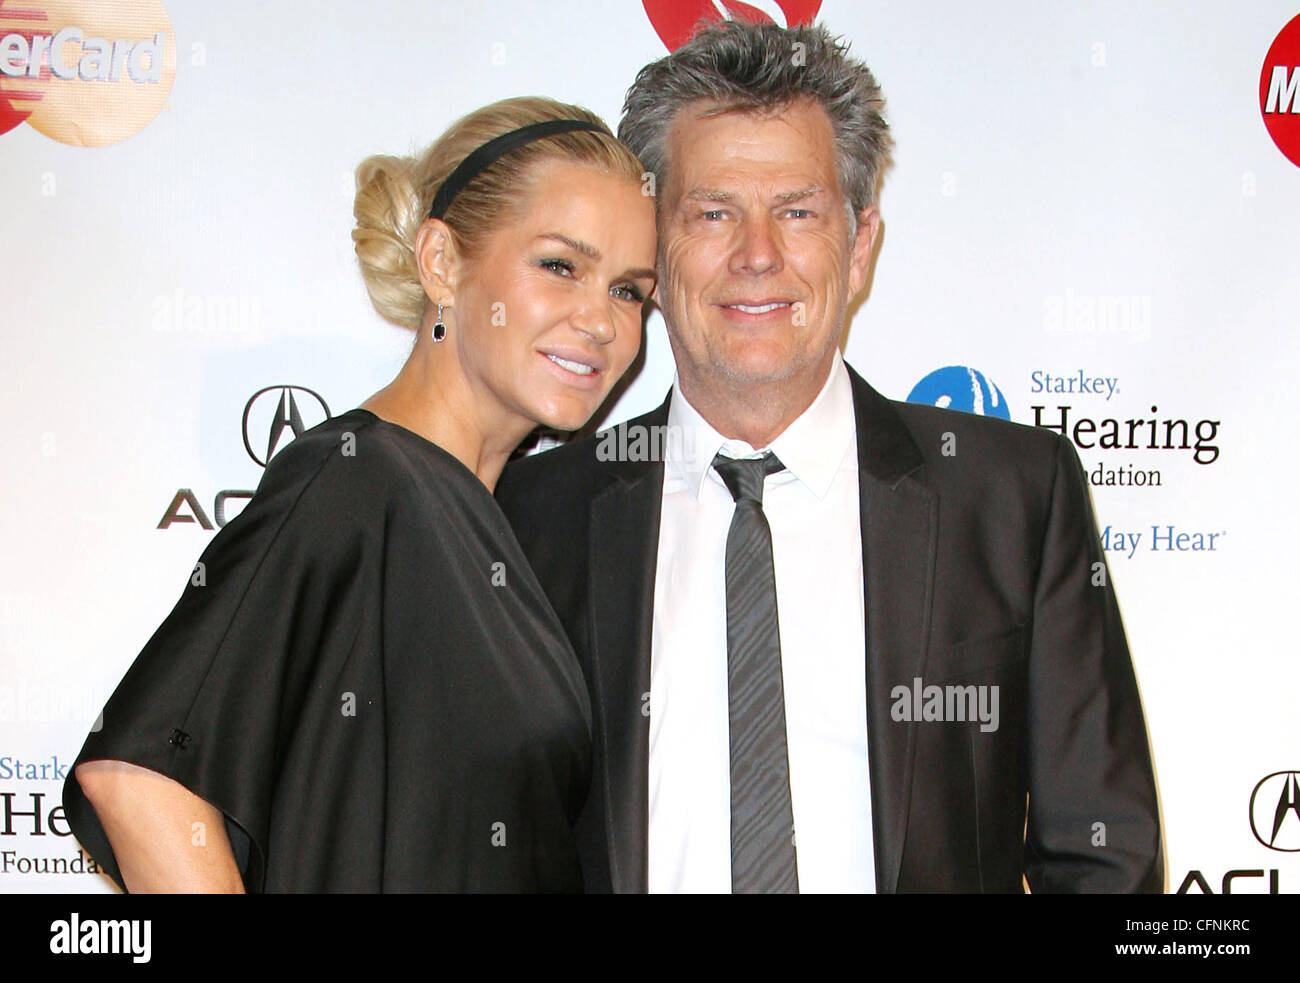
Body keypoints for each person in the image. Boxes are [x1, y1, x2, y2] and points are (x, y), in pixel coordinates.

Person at [495, 21, 1164, 893]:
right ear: (653, 247)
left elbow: (1106, 857)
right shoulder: (532, 515)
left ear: (860, 243)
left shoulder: (1010, 499)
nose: (758, 254)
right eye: (712, 212)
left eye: (798, 211)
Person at [62, 96, 657, 893]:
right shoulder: (357, 481)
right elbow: (140, 782)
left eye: (629, 291)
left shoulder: (492, 528)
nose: (601, 320)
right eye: (561, 266)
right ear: (442, 261)